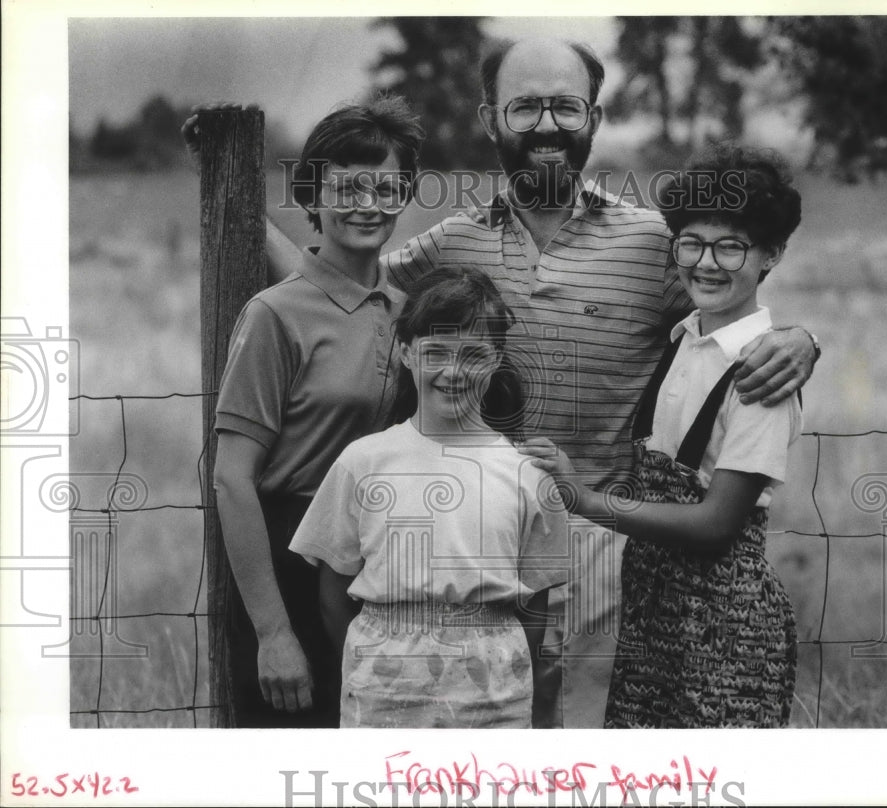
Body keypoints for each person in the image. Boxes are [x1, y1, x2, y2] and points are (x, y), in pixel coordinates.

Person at [189, 36, 819, 728]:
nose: (546, 126)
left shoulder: (653, 244)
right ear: (491, 121)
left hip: (607, 555)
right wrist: (241, 206)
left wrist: (797, 339)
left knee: (582, 745)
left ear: (595, 120)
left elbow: (726, 300)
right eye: (525, 109)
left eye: (564, 107)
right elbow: (343, 284)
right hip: (472, 544)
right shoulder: (450, 243)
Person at [521, 143, 802, 727]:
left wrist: (589, 502)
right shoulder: (680, 341)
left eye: (731, 246)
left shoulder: (761, 373)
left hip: (727, 626)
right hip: (653, 615)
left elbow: (714, 524)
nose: (707, 262)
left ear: (771, 254)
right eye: (692, 243)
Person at [210, 96, 424, 727]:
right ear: (313, 194)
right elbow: (232, 478)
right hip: (288, 563)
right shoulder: (274, 314)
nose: (368, 203)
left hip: (375, 558)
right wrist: (274, 632)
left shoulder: (407, 313)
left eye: (386, 186)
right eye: (348, 186)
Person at [288, 267, 569, 728]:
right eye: (435, 352)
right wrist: (376, 663)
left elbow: (536, 605)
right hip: (381, 694)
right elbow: (332, 594)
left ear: (497, 357)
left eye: (473, 355)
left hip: (494, 697)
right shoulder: (363, 463)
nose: (454, 372)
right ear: (404, 353)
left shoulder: (527, 475)